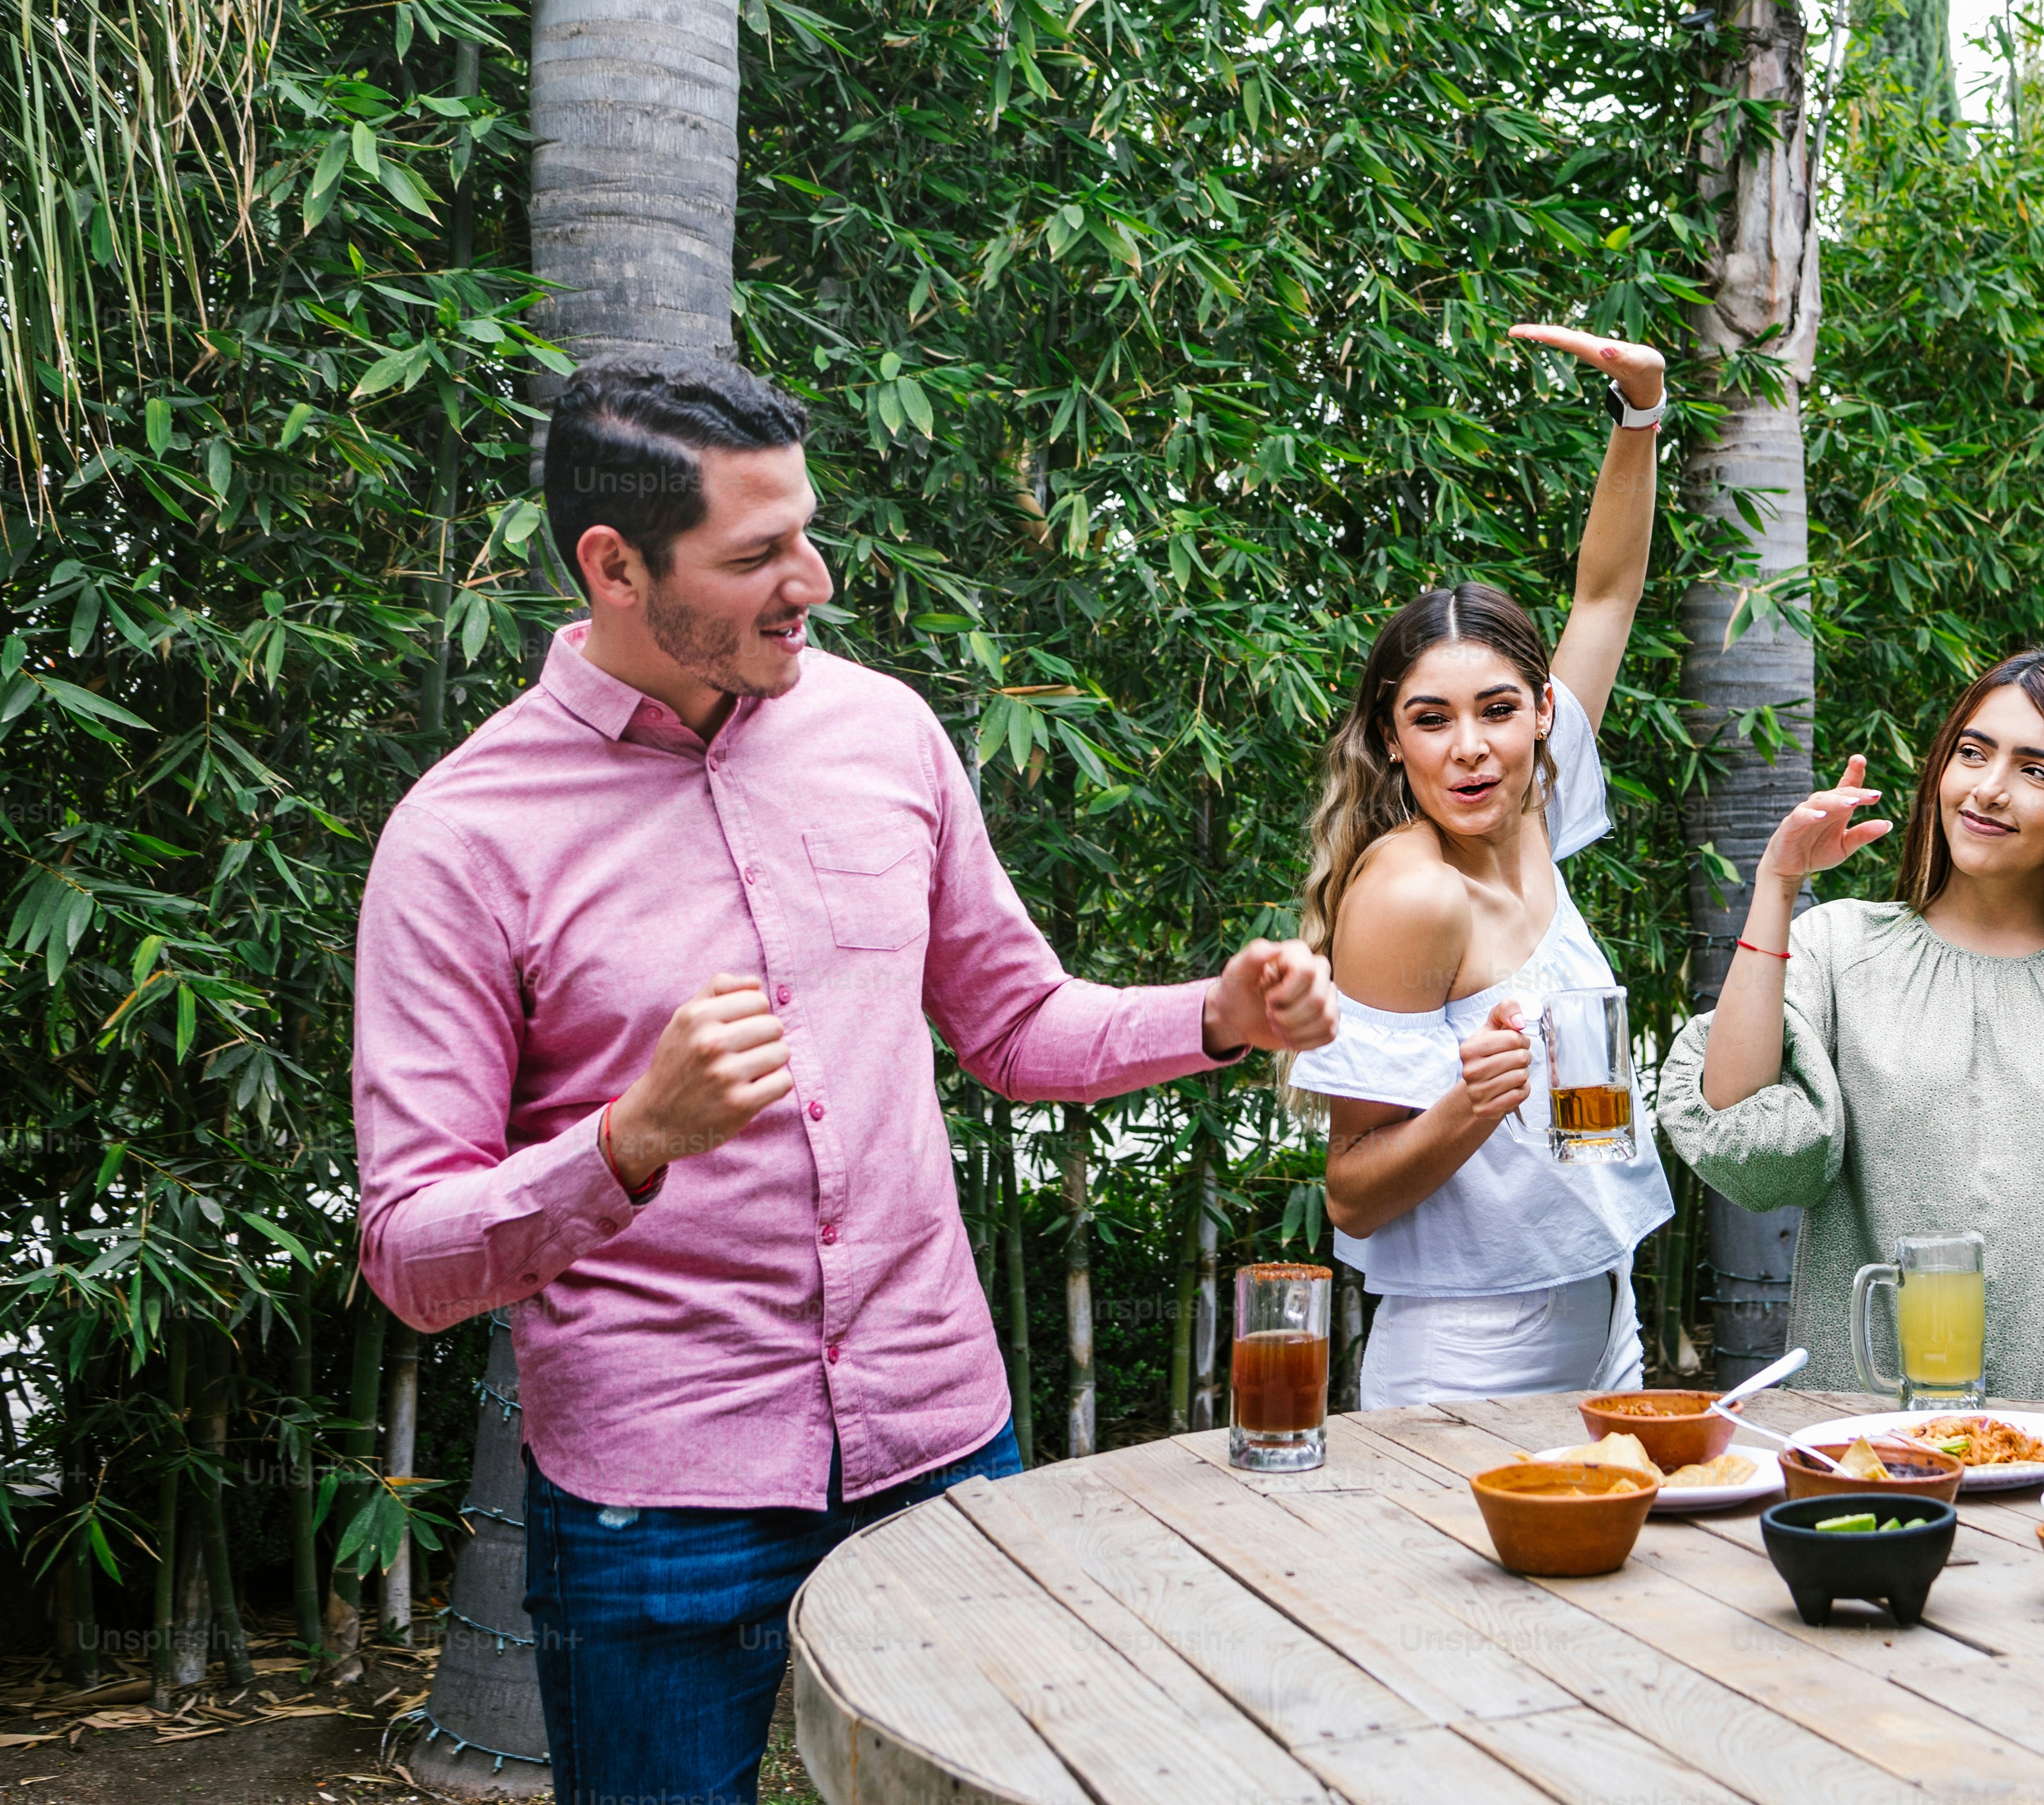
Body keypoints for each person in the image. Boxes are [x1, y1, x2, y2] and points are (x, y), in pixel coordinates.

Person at [351, 352, 1336, 1805]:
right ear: (612, 565)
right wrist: (624, 1142)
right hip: (657, 1498)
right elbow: (410, 1256)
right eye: (755, 555)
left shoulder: (886, 733)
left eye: (805, 531)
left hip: (941, 1440)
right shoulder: (459, 841)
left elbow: (1014, 1026)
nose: (809, 578)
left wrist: (1217, 1014)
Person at [1654, 650, 2044, 1409]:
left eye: (2036, 771)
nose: (1988, 790)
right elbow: (1745, 1139)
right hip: (1881, 1442)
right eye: (1973, 753)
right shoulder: (1838, 949)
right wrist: (1777, 885)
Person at [1293, 323, 1676, 1407]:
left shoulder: (1538, 802)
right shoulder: (1412, 894)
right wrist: (1467, 1106)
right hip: (1472, 1343)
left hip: (1604, 1303)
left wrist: (1639, 413)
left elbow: (1603, 596)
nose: (1469, 746)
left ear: (1540, 713)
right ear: (1391, 736)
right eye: (1431, 719)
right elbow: (1353, 1193)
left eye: (1497, 709)